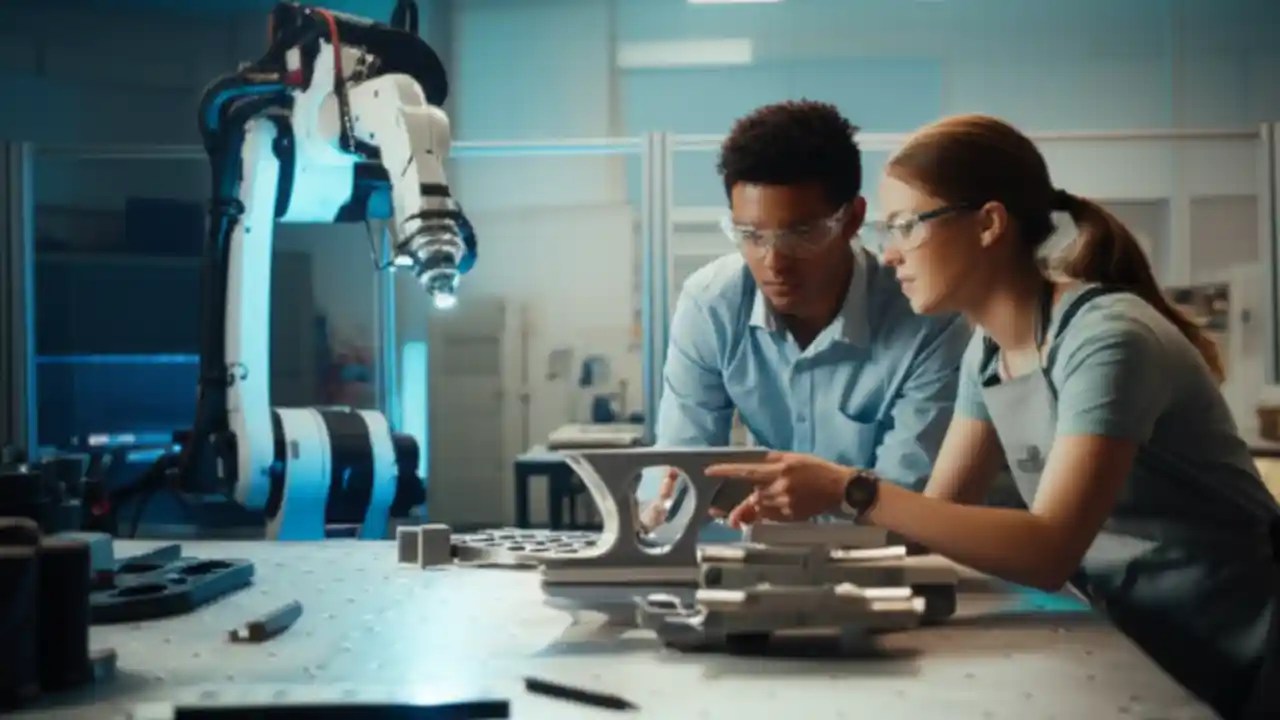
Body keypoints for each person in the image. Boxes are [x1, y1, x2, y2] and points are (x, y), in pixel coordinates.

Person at [704, 113, 1280, 719]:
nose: (890, 251)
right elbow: (930, 527)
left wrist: (848, 487)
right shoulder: (988, 351)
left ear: (988, 224)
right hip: (1150, 643)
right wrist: (793, 540)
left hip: (1242, 651)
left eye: (906, 225)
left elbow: (1048, 550)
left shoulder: (1108, 340)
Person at [640, 100, 971, 530]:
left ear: (852, 219)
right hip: (761, 562)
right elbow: (679, 468)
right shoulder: (712, 304)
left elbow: (911, 504)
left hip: (882, 569)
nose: (773, 260)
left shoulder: (926, 321)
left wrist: (834, 497)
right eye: (750, 235)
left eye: (800, 234)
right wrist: (663, 515)